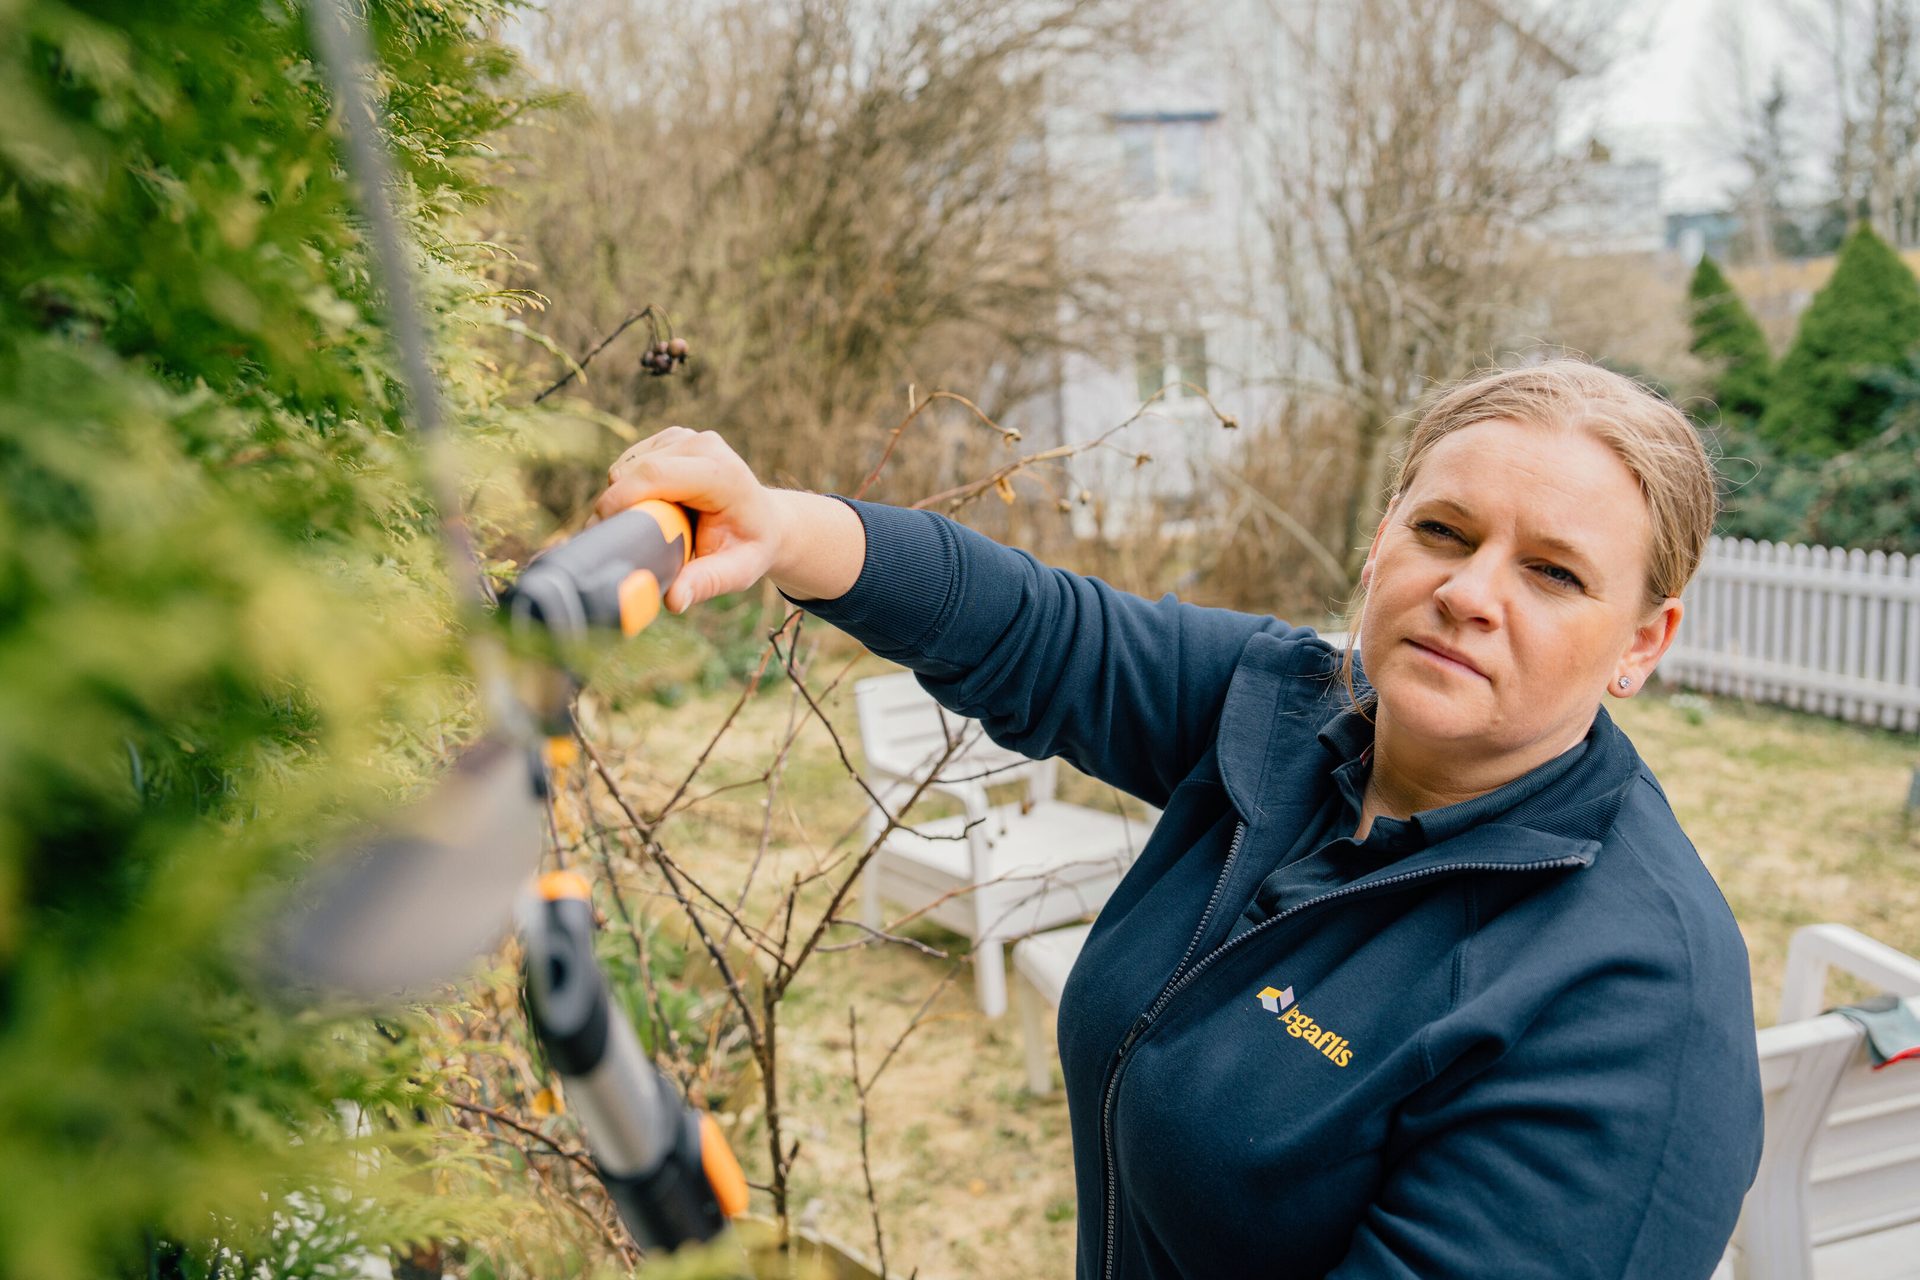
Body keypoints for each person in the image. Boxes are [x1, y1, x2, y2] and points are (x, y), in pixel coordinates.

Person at [592, 359, 1765, 1280]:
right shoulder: (1292, 710)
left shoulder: (1633, 1000)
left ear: (1644, 644)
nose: (1468, 592)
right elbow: (1041, 632)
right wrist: (783, 528)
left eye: (1554, 572)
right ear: (1382, 536)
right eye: (1444, 531)